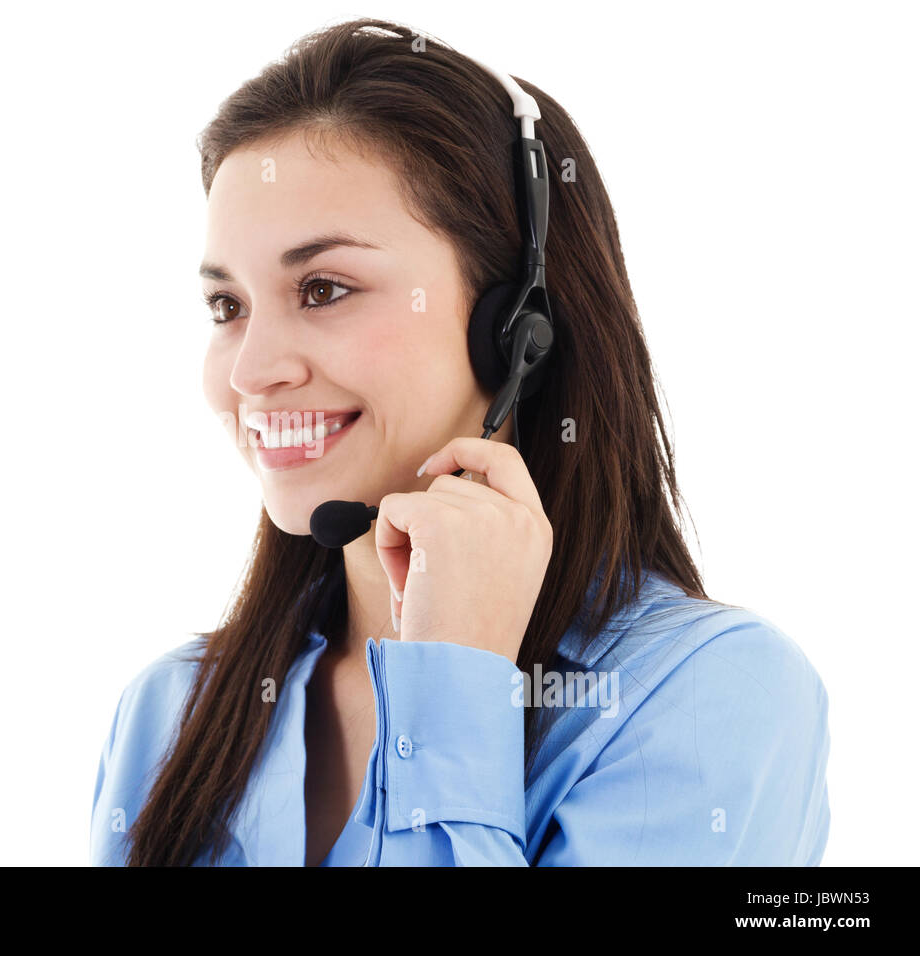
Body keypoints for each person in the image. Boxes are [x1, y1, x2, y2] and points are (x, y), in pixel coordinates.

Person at [90, 18, 830, 866]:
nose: (252, 370)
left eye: (324, 288)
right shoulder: (170, 710)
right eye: (229, 307)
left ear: (519, 329)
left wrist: (451, 680)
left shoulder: (711, 694)